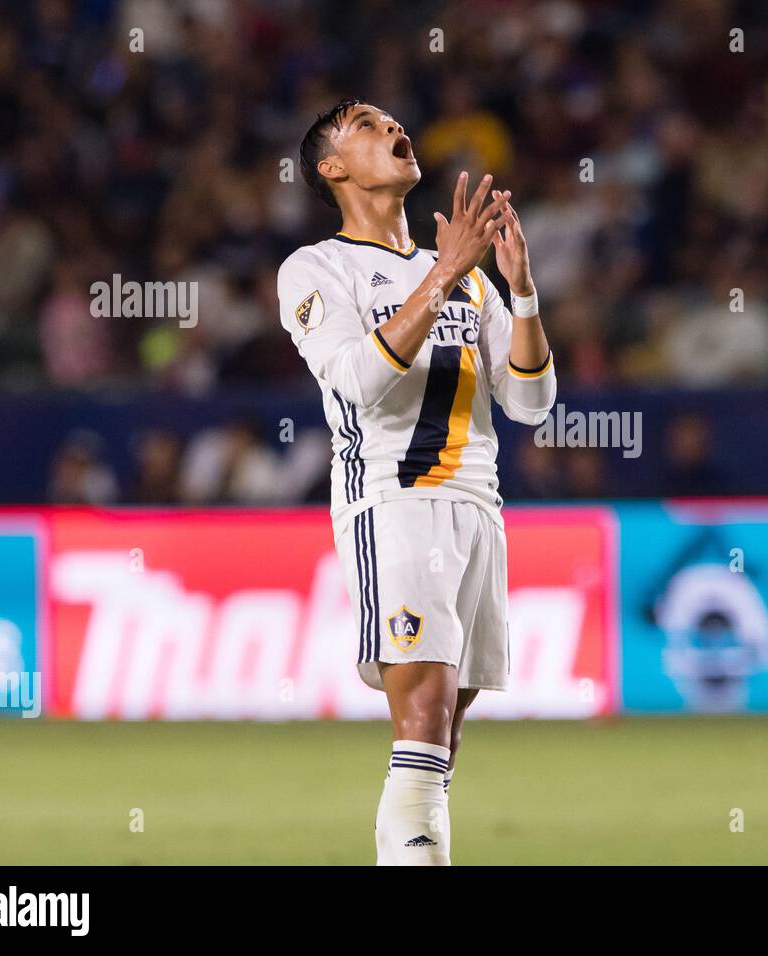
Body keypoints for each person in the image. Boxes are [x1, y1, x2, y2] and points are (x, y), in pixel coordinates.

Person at [278, 100, 554, 865]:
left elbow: (531, 401)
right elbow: (358, 379)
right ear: (331, 168)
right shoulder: (316, 268)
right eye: (366, 124)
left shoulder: (465, 273)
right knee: (424, 716)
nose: (395, 127)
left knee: (442, 737)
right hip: (395, 502)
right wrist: (444, 273)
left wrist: (520, 290)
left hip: (480, 506)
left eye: (394, 120)